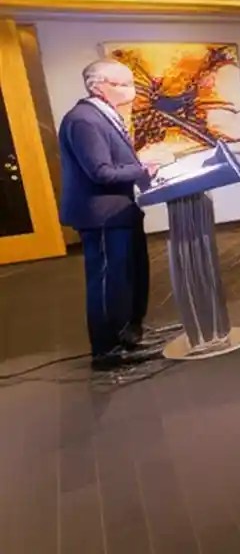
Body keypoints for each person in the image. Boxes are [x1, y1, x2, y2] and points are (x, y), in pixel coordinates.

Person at [59, 60, 164, 370]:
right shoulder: (84, 120)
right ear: (99, 86)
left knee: (130, 278)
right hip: (102, 216)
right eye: (124, 83)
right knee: (109, 282)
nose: (131, 89)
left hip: (120, 212)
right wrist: (143, 168)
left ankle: (129, 335)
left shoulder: (105, 116)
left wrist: (139, 167)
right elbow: (101, 172)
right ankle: (107, 351)